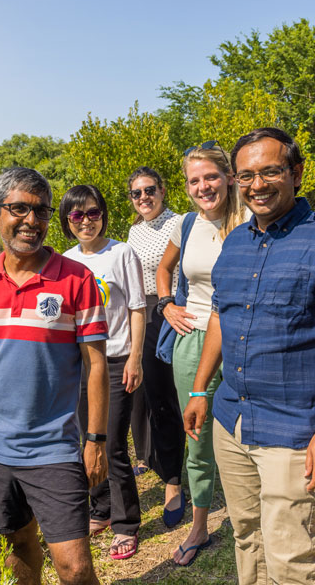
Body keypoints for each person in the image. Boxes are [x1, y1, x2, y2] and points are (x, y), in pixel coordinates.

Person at [183, 127, 315, 585]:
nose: (257, 184)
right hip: (232, 419)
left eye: (269, 171)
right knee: (247, 534)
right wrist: (199, 388)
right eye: (245, 175)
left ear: (296, 173)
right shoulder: (234, 243)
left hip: (294, 428)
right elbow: (219, 316)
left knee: (292, 558)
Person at [0, 167, 110, 585]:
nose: (31, 221)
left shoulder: (78, 281)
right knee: (20, 545)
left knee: (75, 566)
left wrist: (96, 439)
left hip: (53, 447)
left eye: (40, 211)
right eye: (19, 209)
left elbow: (97, 364)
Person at [156, 141, 244, 567]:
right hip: (194, 336)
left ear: (229, 177)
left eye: (211, 177)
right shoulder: (186, 224)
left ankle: (281, 527)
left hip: (248, 336)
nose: (203, 186)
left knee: (259, 432)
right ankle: (201, 524)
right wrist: (166, 304)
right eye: (194, 180)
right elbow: (163, 268)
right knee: (198, 431)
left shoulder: (250, 218)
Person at [59, 184, 146, 561]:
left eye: (93, 213)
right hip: (79, 365)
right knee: (86, 440)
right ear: (67, 221)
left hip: (114, 360)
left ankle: (126, 523)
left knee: (112, 444)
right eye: (77, 215)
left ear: (103, 214)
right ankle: (101, 509)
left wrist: (135, 358)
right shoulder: (64, 260)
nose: (86, 222)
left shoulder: (122, 252)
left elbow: (138, 307)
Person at [124, 166, 187, 528]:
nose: (144, 197)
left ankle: (176, 478)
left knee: (171, 397)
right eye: (137, 193)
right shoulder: (134, 230)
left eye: (150, 190)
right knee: (148, 394)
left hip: (171, 310)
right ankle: (158, 464)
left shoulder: (180, 222)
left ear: (162, 190)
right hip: (140, 314)